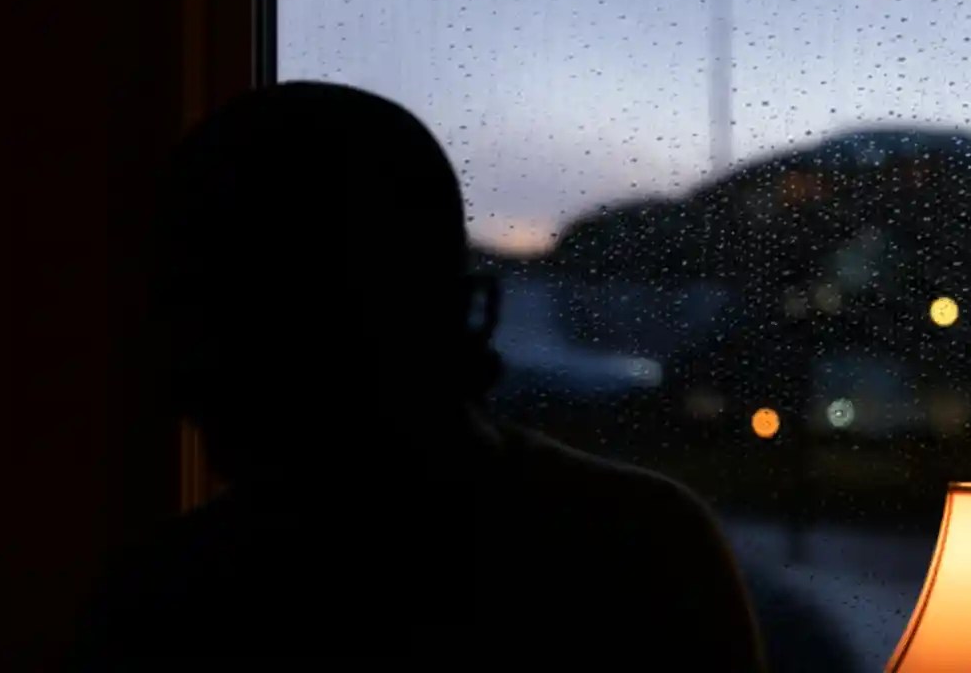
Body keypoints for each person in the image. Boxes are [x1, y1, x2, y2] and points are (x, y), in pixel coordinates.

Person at [71, 81, 766, 669]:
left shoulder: (165, 598)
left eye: (210, 317)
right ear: (464, 311)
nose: (179, 372)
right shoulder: (641, 551)